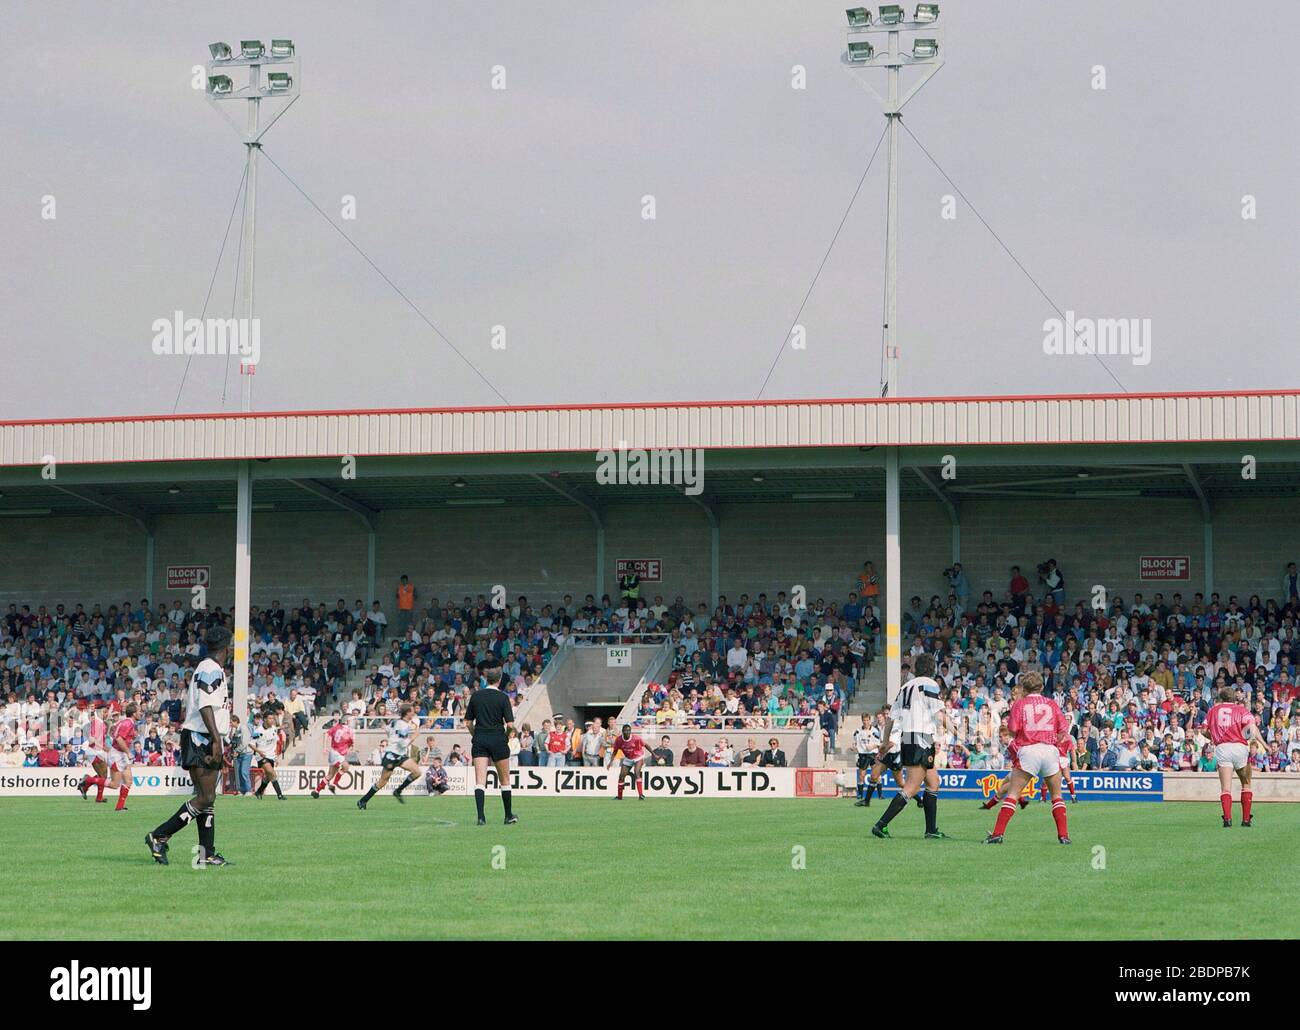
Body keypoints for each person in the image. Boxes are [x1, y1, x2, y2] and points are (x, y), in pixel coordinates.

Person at [146, 626, 233, 867]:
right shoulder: (210, 669)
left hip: (204, 736)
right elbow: (205, 706)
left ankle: (207, 854)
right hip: (201, 737)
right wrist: (216, 739)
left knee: (207, 798)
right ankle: (159, 835)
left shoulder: (208, 668)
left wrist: (219, 741)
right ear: (227, 647)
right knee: (205, 797)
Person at [984, 672, 1071, 845]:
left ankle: (997, 834)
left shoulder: (1020, 704)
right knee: (1057, 796)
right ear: (1041, 687)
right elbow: (1064, 728)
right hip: (1049, 749)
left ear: (1024, 687)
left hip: (1029, 750)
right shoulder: (1051, 704)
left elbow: (1012, 729)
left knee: (1013, 794)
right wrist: (1055, 741)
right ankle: (1063, 836)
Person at [870, 656, 946, 840]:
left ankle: (931, 830)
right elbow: (939, 713)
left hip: (909, 738)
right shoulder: (929, 684)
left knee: (933, 782)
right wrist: (955, 730)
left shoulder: (906, 687)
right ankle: (881, 825)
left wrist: (885, 742)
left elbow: (890, 719)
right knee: (911, 787)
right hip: (920, 738)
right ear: (932, 668)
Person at [1207, 686, 1269, 828]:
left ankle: (1227, 819)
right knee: (1246, 784)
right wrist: (1264, 744)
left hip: (1223, 747)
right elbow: (1252, 729)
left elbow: (1204, 730)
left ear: (1221, 698)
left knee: (1226, 788)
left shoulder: (1213, 711)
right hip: (1240, 747)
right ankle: (1246, 819)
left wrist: (1214, 737)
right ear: (1235, 698)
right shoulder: (1242, 710)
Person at [463, 667, 516, 826]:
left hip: (480, 738)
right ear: (499, 680)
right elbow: (511, 725)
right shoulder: (503, 697)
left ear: (486, 678)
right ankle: (508, 815)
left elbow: (467, 723)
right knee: (505, 780)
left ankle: (481, 817)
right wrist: (505, 738)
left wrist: (475, 735)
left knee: (480, 781)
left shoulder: (476, 696)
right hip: (498, 739)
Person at [357, 704, 422, 809]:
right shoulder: (403, 725)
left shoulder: (396, 721)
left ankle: (398, 790)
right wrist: (414, 736)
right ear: (408, 713)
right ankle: (363, 801)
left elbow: (386, 729)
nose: (414, 713)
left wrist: (392, 740)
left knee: (417, 772)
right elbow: (403, 744)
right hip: (392, 755)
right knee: (382, 782)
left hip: (399, 755)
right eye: (412, 711)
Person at [312, 713, 355, 798]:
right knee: (346, 767)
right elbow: (351, 741)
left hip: (333, 752)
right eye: (351, 720)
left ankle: (316, 791)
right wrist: (351, 745)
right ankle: (333, 785)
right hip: (337, 753)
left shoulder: (335, 727)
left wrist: (324, 747)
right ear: (347, 721)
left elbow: (326, 734)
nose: (352, 722)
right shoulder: (349, 730)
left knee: (330, 775)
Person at [106, 703, 139, 811]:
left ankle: (119, 807)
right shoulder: (127, 723)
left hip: (121, 754)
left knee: (128, 781)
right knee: (115, 784)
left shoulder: (127, 723)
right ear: (134, 713)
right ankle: (89, 780)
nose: (140, 713)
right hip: (117, 754)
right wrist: (128, 752)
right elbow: (119, 739)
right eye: (138, 711)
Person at [76, 708, 110, 803]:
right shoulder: (95, 724)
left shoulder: (97, 724)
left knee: (102, 775)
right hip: (95, 752)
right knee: (103, 776)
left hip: (96, 751)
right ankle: (87, 780)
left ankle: (87, 786)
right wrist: (104, 748)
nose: (106, 714)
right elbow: (92, 740)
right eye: (104, 712)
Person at [608, 723, 650, 800]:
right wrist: (610, 762)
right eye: (625, 730)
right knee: (621, 776)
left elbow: (646, 745)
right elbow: (615, 751)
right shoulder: (619, 740)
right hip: (628, 758)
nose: (627, 732)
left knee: (636, 772)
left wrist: (654, 755)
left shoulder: (636, 738)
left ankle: (641, 795)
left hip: (638, 756)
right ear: (622, 731)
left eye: (629, 730)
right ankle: (619, 797)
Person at [251, 713, 285, 800]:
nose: (272, 720)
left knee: (268, 777)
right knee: (272, 773)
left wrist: (276, 757)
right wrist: (259, 751)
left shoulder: (273, 729)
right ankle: (280, 795)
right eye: (270, 718)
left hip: (271, 756)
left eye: (272, 718)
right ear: (265, 719)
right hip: (262, 757)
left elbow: (276, 742)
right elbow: (251, 744)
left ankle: (258, 792)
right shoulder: (258, 731)